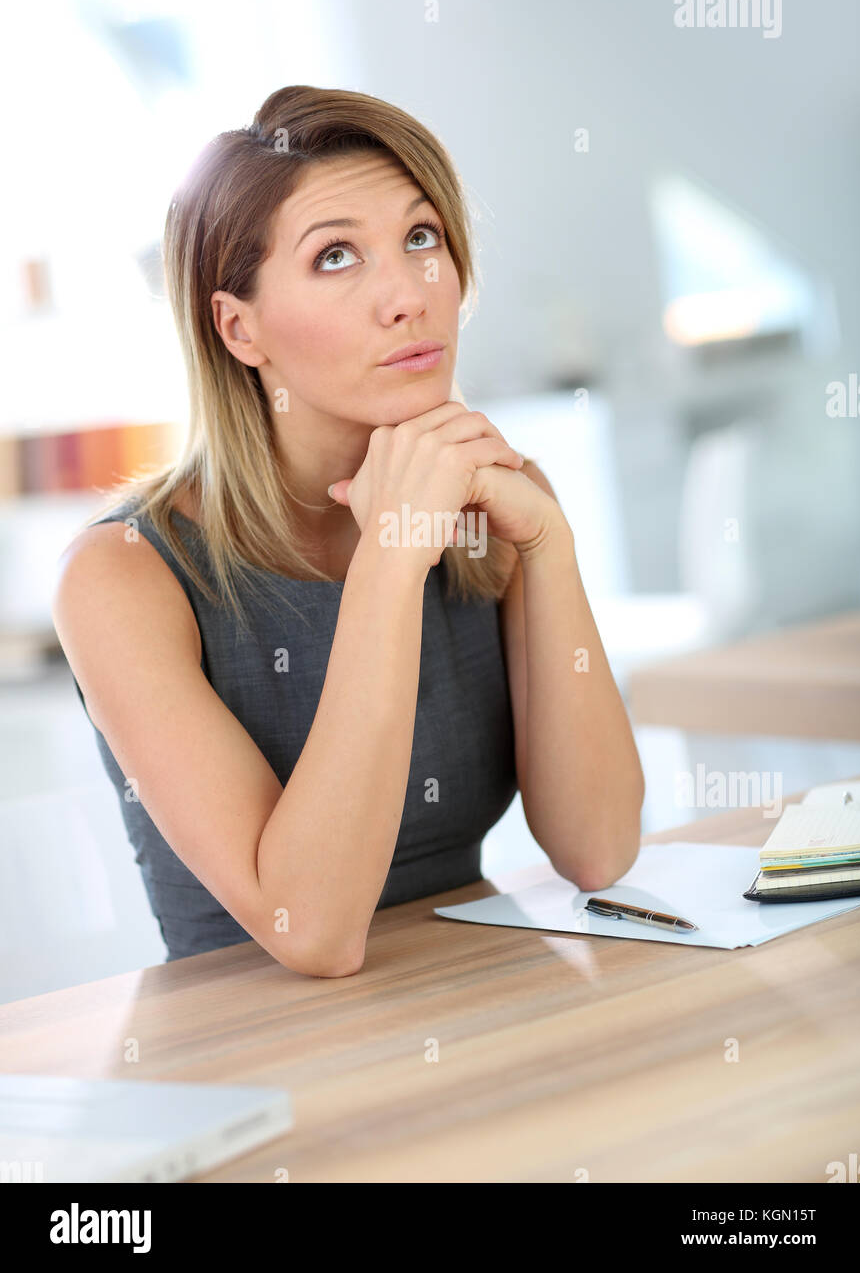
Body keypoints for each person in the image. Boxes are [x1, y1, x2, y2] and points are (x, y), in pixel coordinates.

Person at [52, 85, 644, 977]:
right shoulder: (124, 574)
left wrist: (547, 546)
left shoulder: (503, 505)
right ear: (238, 327)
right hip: (259, 1064)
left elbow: (597, 850)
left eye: (421, 239)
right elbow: (314, 932)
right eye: (336, 257)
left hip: (474, 1018)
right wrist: (390, 564)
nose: (407, 295)